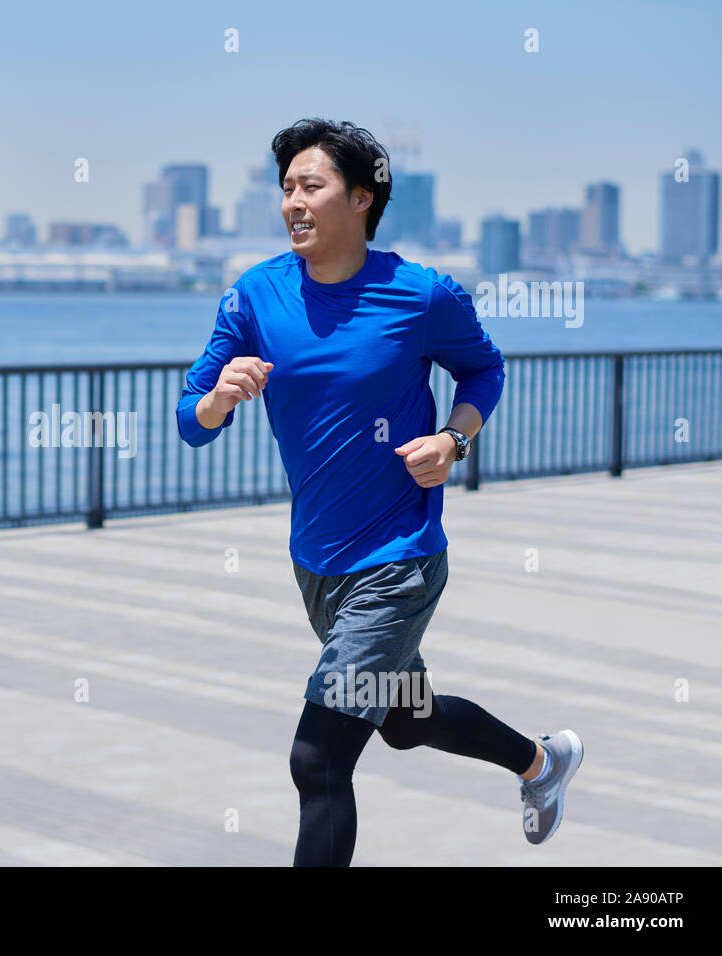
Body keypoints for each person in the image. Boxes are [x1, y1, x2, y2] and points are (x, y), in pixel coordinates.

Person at [174, 118, 583, 866]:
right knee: (403, 719)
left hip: (400, 561)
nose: (294, 201)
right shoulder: (255, 296)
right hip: (317, 565)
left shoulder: (419, 295)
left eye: (313, 186)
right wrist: (219, 398)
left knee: (318, 759)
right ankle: (541, 762)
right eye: (286, 188)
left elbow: (484, 371)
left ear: (362, 198)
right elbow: (190, 422)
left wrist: (453, 439)